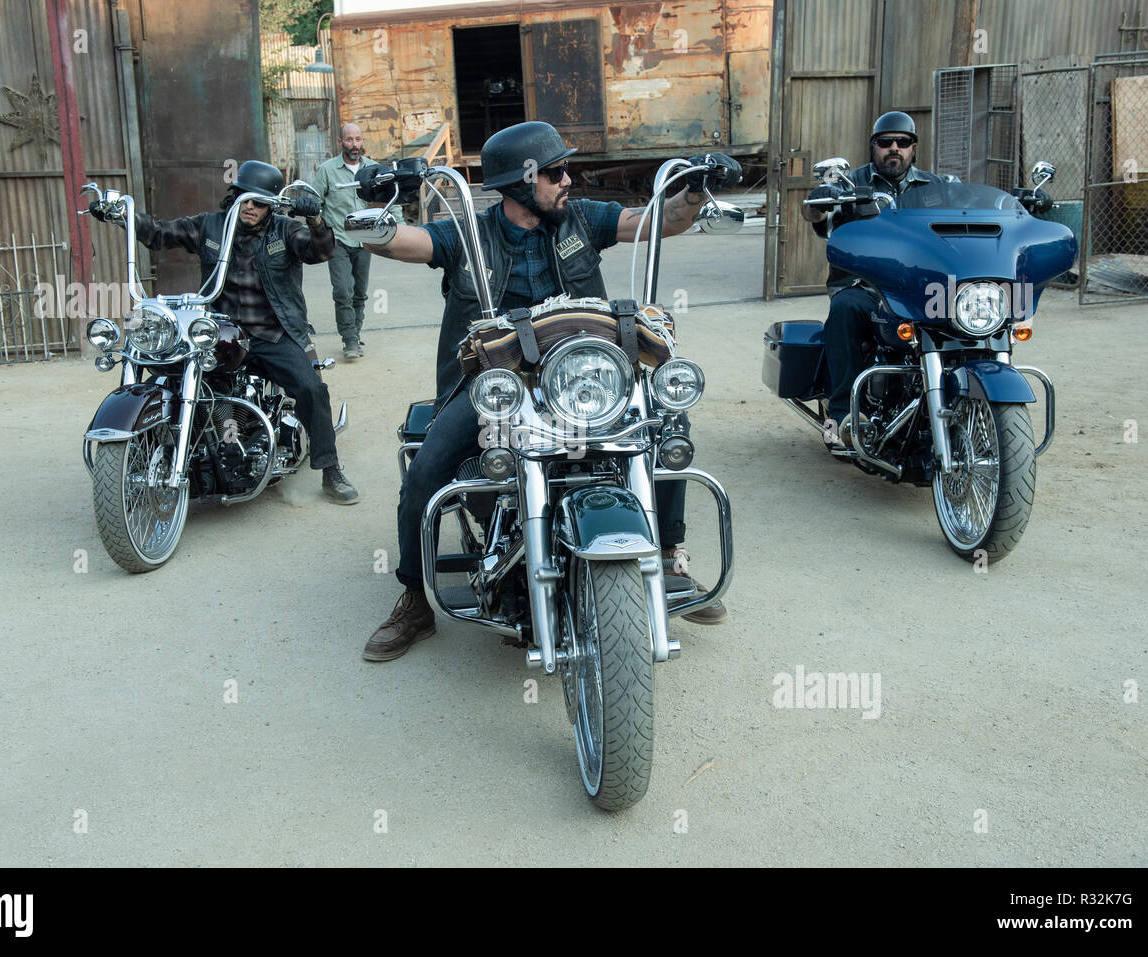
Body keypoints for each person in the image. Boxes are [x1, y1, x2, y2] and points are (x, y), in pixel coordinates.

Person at [353, 121, 739, 661]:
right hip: (498, 383)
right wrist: (373, 203)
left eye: (565, 168)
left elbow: (657, 222)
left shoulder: (583, 219)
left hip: (584, 376)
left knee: (665, 428)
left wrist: (694, 190)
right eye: (555, 172)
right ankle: (414, 596)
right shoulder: (467, 234)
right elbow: (398, 241)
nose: (567, 180)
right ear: (518, 183)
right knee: (426, 468)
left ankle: (668, 555)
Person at [91, 159, 359, 504]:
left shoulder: (285, 231)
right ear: (234, 196)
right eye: (245, 197)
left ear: (271, 205)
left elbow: (321, 250)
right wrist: (121, 216)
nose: (250, 206)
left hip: (273, 332)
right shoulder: (210, 226)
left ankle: (330, 469)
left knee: (311, 388)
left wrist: (316, 217)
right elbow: (159, 233)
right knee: (172, 374)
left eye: (260, 202)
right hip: (220, 334)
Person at [804, 111, 955, 447]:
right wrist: (817, 204)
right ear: (873, 147)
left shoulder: (939, 187)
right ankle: (841, 416)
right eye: (885, 142)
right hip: (867, 288)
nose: (894, 149)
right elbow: (820, 220)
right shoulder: (850, 183)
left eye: (903, 142)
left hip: (922, 289)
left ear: (914, 148)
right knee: (844, 309)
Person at [311, 123, 375, 360]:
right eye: (349, 140)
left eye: (358, 139)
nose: (354, 145)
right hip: (337, 239)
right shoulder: (327, 170)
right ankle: (349, 339)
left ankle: (355, 333)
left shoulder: (373, 169)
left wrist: (396, 229)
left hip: (366, 239)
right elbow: (313, 201)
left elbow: (388, 200)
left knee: (360, 292)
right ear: (340, 142)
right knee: (343, 291)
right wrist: (318, 227)